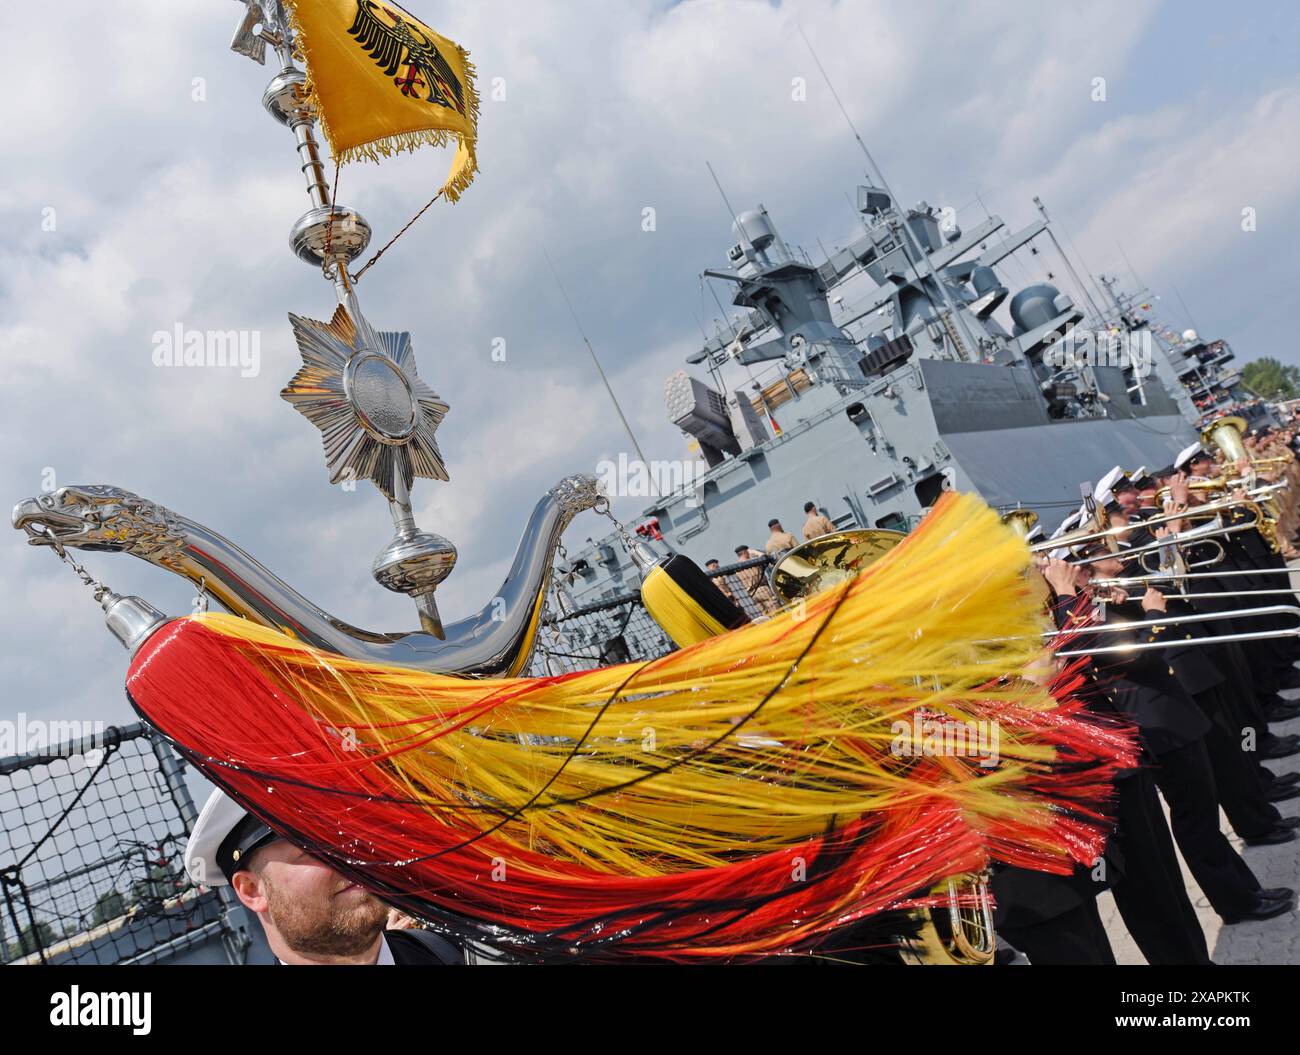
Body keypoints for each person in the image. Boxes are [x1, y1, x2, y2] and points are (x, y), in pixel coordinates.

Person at [185, 787, 475, 965]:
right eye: (313, 848)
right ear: (251, 890)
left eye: (348, 835)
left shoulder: (471, 956)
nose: (348, 857)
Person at [733, 543, 780, 614]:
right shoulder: (753, 562)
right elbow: (765, 556)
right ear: (745, 552)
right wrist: (755, 552)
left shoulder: (736, 568)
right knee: (777, 611)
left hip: (751, 594)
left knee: (766, 617)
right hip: (762, 589)